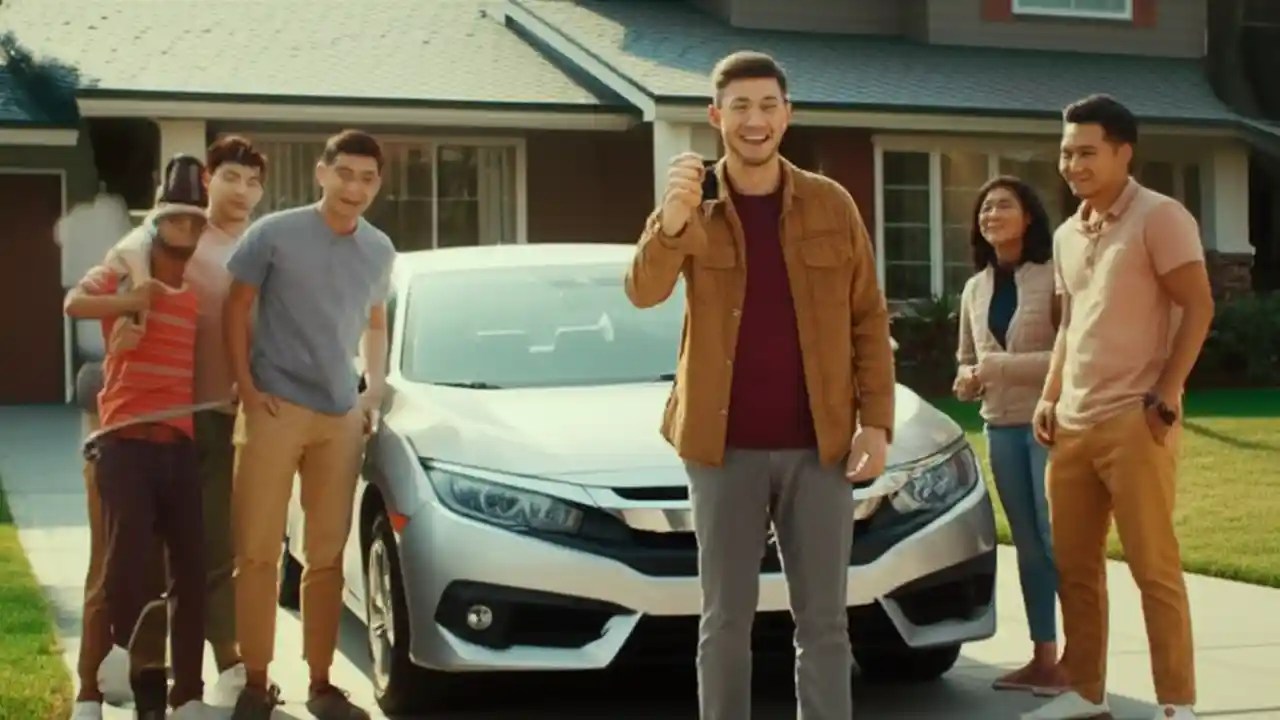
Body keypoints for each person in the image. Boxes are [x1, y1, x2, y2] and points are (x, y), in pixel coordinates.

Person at [624, 51, 895, 720]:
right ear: (716, 117)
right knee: (723, 621)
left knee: (826, 623)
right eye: (740, 107)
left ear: (787, 115)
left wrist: (877, 423)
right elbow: (643, 290)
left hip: (821, 446)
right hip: (722, 449)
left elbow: (868, 316)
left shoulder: (832, 204)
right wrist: (673, 219)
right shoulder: (691, 207)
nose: (755, 120)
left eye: (768, 106)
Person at [1023, 95, 1214, 720]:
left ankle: (1176, 704)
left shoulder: (1162, 217)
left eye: (1086, 151)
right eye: (1066, 151)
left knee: (1152, 568)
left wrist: (1167, 393)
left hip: (1135, 420)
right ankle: (1084, 692)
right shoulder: (1066, 232)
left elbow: (1199, 306)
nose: (1072, 163)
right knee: (1075, 569)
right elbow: (1072, 324)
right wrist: (1049, 396)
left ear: (1123, 152)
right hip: (1071, 425)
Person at [224, 129, 394, 720]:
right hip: (273, 408)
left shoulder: (379, 250)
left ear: (377, 185)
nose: (354, 187)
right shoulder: (273, 234)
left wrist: (371, 388)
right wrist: (246, 387)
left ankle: (321, 684)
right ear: (321, 173)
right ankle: (256, 682)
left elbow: (375, 321)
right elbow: (236, 307)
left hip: (339, 416)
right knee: (258, 551)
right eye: (344, 173)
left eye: (367, 178)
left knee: (325, 554)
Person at [64, 154, 212, 720]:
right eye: (178, 218)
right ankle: (102, 683)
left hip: (177, 445)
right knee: (122, 570)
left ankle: (188, 697)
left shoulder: (195, 289)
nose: (189, 229)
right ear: (158, 218)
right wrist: (130, 303)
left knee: (191, 572)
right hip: (124, 441)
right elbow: (74, 302)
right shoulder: (125, 270)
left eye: (196, 220)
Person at [954, 176, 1066, 694]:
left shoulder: (1054, 276)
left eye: (1003, 206)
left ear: (1028, 217)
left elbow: (1071, 357)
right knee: (1026, 546)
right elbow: (968, 359)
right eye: (984, 209)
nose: (991, 215)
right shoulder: (975, 287)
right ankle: (1044, 658)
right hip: (999, 428)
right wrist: (965, 378)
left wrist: (995, 367)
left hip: (1052, 426)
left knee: (1056, 540)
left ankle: (1083, 658)